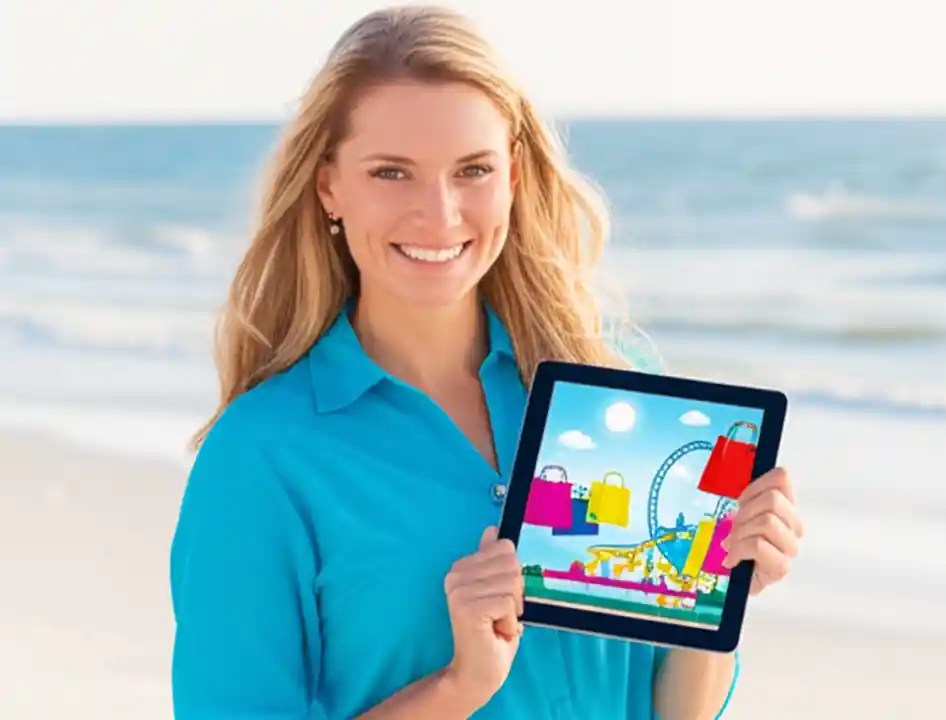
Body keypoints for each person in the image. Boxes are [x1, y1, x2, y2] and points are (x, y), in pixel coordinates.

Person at [168, 5, 806, 719]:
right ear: (329, 187)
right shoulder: (261, 457)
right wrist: (458, 686)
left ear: (514, 176)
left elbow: (671, 711)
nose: (439, 215)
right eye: (392, 173)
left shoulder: (611, 391)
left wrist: (722, 596)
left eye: (472, 169)